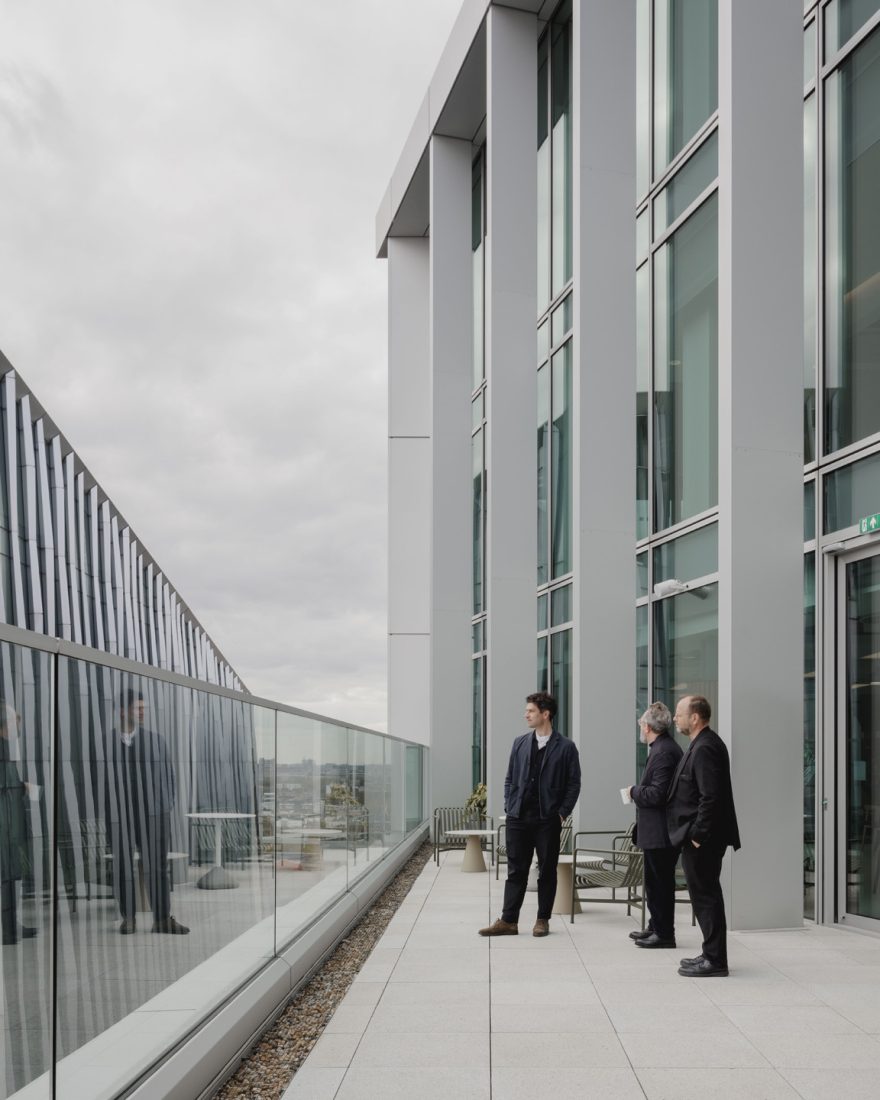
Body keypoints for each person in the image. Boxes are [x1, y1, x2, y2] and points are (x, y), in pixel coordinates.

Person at [479, 691, 580, 938]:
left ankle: (542, 919)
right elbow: (509, 778)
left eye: (531, 711)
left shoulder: (566, 747)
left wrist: (562, 814)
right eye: (527, 711)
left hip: (548, 819)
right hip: (518, 817)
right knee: (516, 870)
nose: (526, 715)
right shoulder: (520, 742)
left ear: (546, 714)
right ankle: (508, 921)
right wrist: (509, 805)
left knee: (546, 871)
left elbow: (573, 784)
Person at [667, 695, 740, 977]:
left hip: (704, 840)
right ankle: (710, 953)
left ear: (695, 717)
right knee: (703, 896)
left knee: (706, 896)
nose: (675, 718)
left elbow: (711, 797)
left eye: (679, 713)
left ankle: (715, 961)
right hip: (700, 838)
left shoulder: (706, 747)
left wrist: (697, 834)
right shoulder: (700, 744)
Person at [105, 689, 189, 935]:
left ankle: (162, 919)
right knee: (122, 866)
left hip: (155, 815)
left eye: (144, 708)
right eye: (137, 708)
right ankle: (128, 918)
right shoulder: (105, 741)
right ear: (122, 711)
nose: (143, 712)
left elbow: (169, 777)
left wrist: (166, 806)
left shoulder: (156, 740)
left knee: (158, 868)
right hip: (120, 816)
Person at [627, 701, 683, 949]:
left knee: (660, 883)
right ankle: (656, 926)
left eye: (641, 723)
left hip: (661, 832)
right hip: (657, 832)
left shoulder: (663, 751)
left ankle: (663, 933)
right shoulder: (661, 748)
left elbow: (658, 794)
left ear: (648, 726)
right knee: (654, 882)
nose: (640, 726)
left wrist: (633, 791)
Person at [0, 702, 36, 946]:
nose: (18, 727)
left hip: (10, 825)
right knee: (7, 877)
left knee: (11, 878)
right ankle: (9, 928)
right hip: (5, 826)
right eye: (15, 722)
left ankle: (12, 925)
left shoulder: (7, 750)